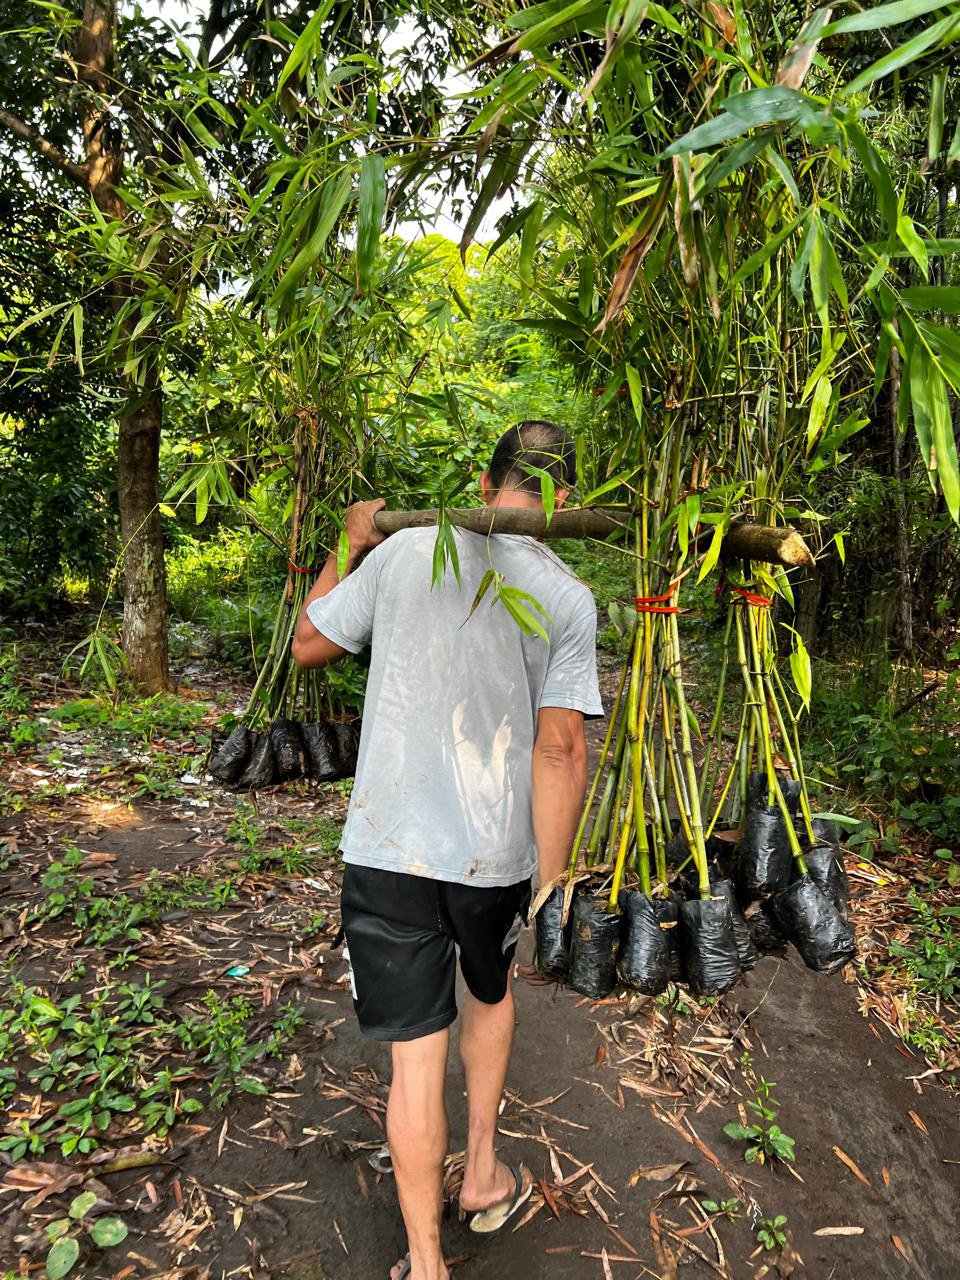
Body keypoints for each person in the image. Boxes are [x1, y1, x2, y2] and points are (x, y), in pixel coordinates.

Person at [291, 421, 603, 1280]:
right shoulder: (568, 596)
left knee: (413, 1063)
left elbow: (308, 644)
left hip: (387, 848)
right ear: (564, 498)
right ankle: (483, 1171)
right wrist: (549, 878)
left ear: (484, 477)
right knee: (489, 992)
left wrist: (348, 546)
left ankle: (425, 1264)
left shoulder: (404, 552)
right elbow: (561, 749)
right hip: (490, 861)